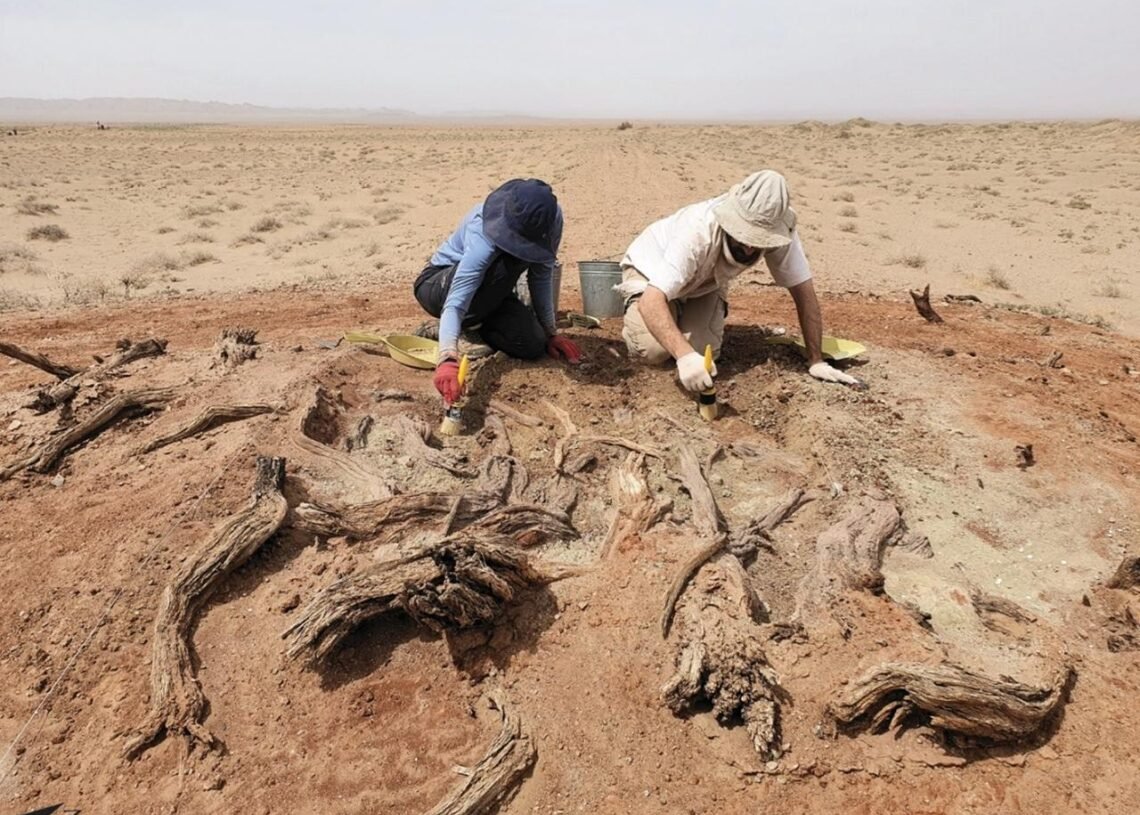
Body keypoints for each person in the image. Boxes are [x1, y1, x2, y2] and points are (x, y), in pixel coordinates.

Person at [618, 169, 862, 391]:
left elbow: (804, 292)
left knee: (706, 355)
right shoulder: (698, 231)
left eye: (758, 240)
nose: (747, 247)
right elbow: (652, 300)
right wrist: (683, 355)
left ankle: (677, 314)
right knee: (654, 352)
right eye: (742, 234)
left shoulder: (781, 232)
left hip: (703, 283)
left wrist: (816, 360)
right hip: (650, 272)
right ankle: (645, 316)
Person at [413, 178, 582, 404]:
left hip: (492, 294)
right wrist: (447, 359)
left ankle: (471, 328)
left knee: (532, 344)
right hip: (438, 286)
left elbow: (541, 276)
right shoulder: (482, 227)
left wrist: (551, 333)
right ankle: (451, 330)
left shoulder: (550, 223)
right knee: (502, 267)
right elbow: (458, 299)